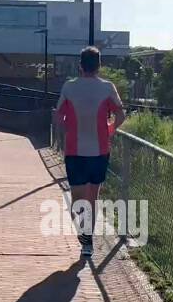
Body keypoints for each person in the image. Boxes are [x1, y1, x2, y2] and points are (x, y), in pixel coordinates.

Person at [54, 46, 126, 259]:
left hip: (74, 151)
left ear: (80, 65)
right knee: (91, 198)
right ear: (99, 66)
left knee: (79, 200)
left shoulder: (69, 87)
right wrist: (110, 130)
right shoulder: (108, 88)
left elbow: (58, 117)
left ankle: (87, 242)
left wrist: (70, 127)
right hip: (100, 150)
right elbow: (120, 115)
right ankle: (86, 237)